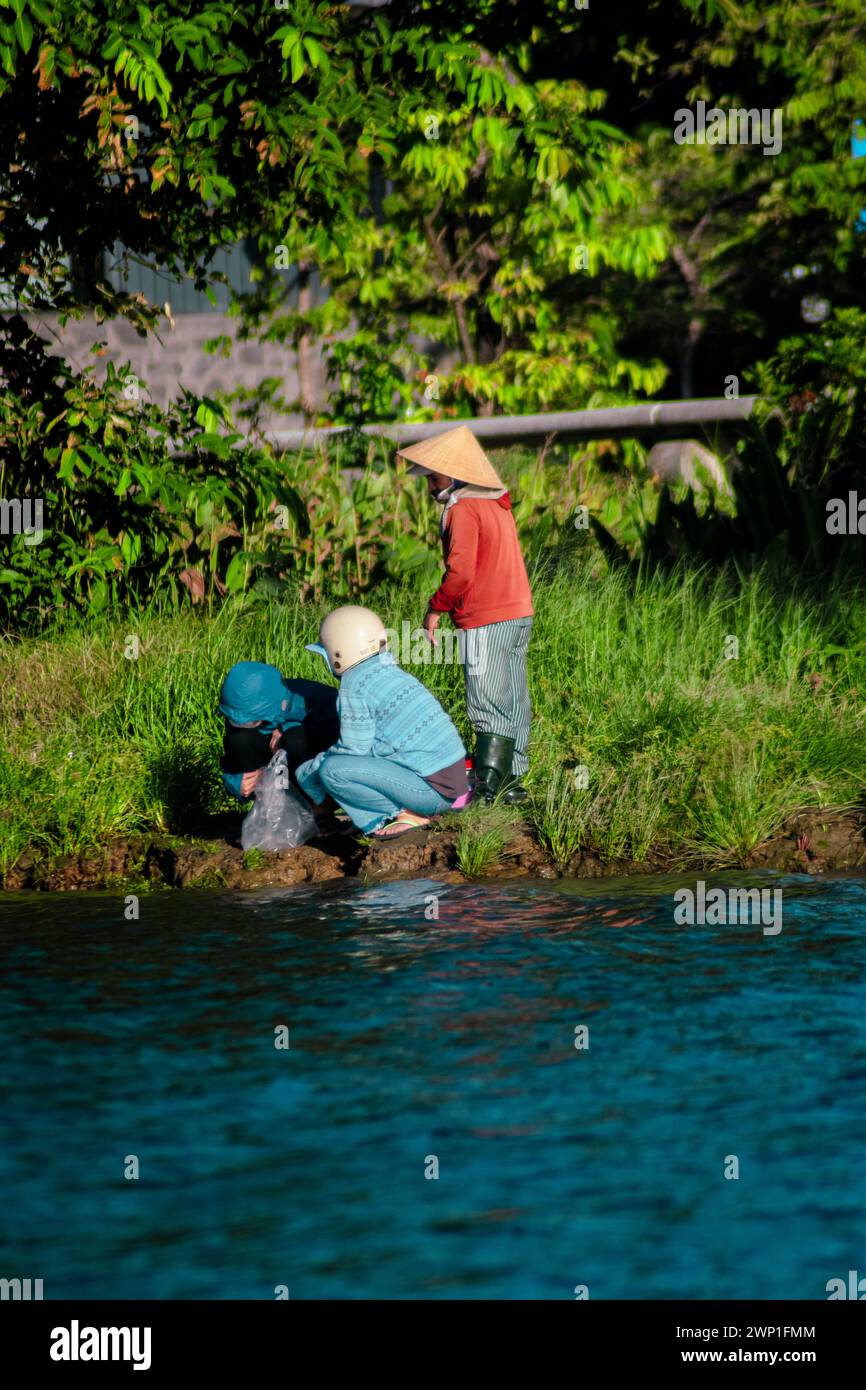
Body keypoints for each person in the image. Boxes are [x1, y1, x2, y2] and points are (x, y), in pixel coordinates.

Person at [396, 424, 533, 804]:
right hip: (519, 613)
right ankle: (513, 783)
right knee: (515, 700)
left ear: (456, 475)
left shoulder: (463, 510)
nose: (429, 486)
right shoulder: (496, 503)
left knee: (488, 703)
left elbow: (461, 573)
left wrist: (435, 608)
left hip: (486, 617)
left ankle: (488, 789)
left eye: (435, 477)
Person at [296, 605, 471, 838]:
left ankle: (402, 814)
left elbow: (354, 750)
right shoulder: (388, 668)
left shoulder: (354, 683)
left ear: (338, 653)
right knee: (337, 765)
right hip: (451, 783)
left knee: (332, 770)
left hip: (430, 792)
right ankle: (383, 815)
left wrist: (310, 769)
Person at [218, 661, 339, 802]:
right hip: (270, 782)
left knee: (295, 740)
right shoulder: (239, 713)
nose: (242, 724)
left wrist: (288, 725)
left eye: (252, 721)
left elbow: (341, 744)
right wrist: (236, 783)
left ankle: (320, 807)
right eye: (237, 721)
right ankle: (269, 807)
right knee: (239, 739)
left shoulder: (316, 697)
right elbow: (230, 763)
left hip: (312, 769)